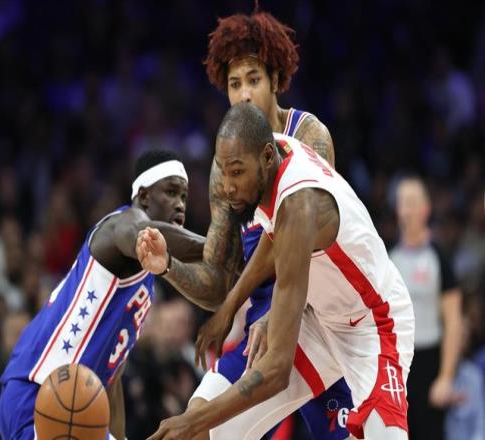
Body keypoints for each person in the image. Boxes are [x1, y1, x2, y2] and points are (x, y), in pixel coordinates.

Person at [142, 102, 415, 440]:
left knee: (197, 422)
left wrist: (191, 422)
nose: (228, 187)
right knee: (206, 426)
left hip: (374, 326)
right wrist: (230, 306)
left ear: (267, 158)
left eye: (236, 173)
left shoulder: (300, 207)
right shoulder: (273, 150)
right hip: (320, 319)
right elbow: (272, 239)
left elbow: (276, 371)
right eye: (223, 172)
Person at [160, 8, 352, 439]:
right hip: (264, 327)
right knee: (197, 426)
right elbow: (216, 277)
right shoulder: (225, 165)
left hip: (322, 315)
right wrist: (166, 265)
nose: (244, 94)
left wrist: (271, 315)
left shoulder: (309, 136)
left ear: (276, 80)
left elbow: (306, 248)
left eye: (253, 80)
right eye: (234, 84)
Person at [0, 149, 207, 440]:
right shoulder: (120, 224)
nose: (180, 204)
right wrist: (218, 247)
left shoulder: (147, 282)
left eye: (184, 196)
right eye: (171, 192)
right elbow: (144, 232)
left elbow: (113, 375)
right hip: (38, 394)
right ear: (144, 195)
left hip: (77, 402)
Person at [390, 177, 464, 440]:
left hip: (430, 364)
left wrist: (446, 377)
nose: (407, 210)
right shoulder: (388, 258)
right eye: (402, 203)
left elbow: (454, 322)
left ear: (426, 209)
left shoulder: (439, 258)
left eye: (412, 203)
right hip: (397, 365)